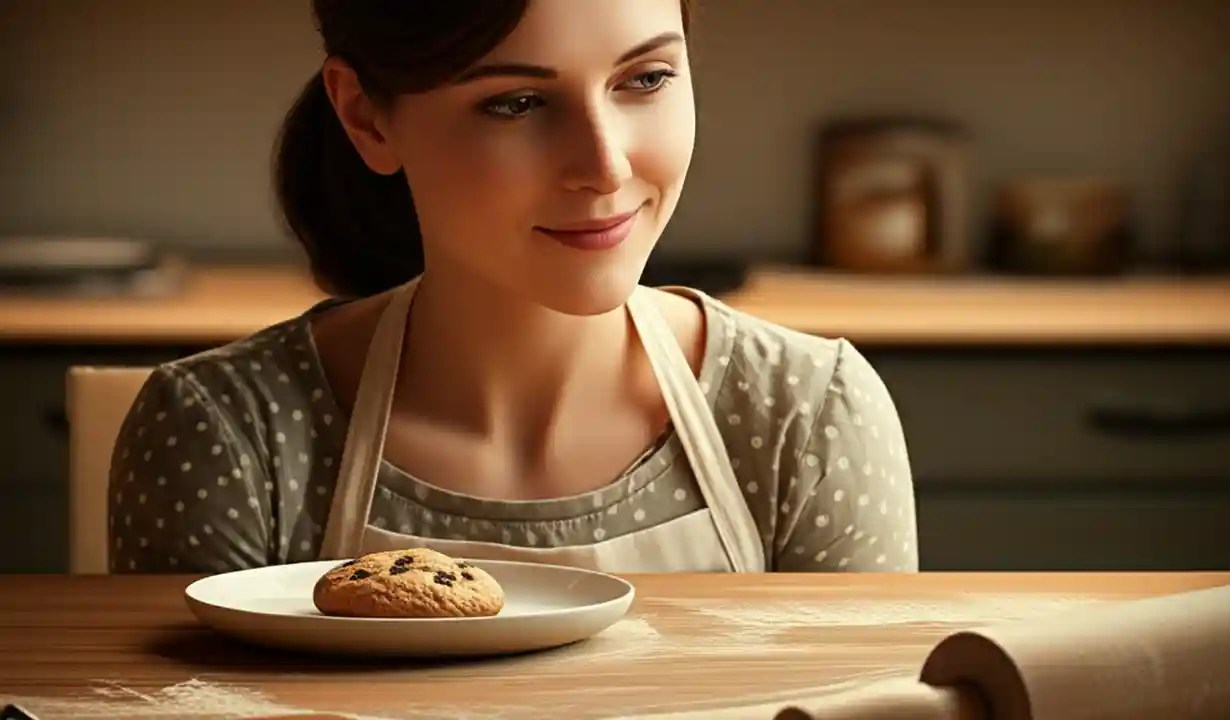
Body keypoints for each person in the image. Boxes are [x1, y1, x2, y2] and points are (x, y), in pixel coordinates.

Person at [107, 0, 918, 575]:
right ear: (366, 117)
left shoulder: (808, 418)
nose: (605, 165)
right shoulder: (229, 437)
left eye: (645, 79)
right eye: (518, 102)